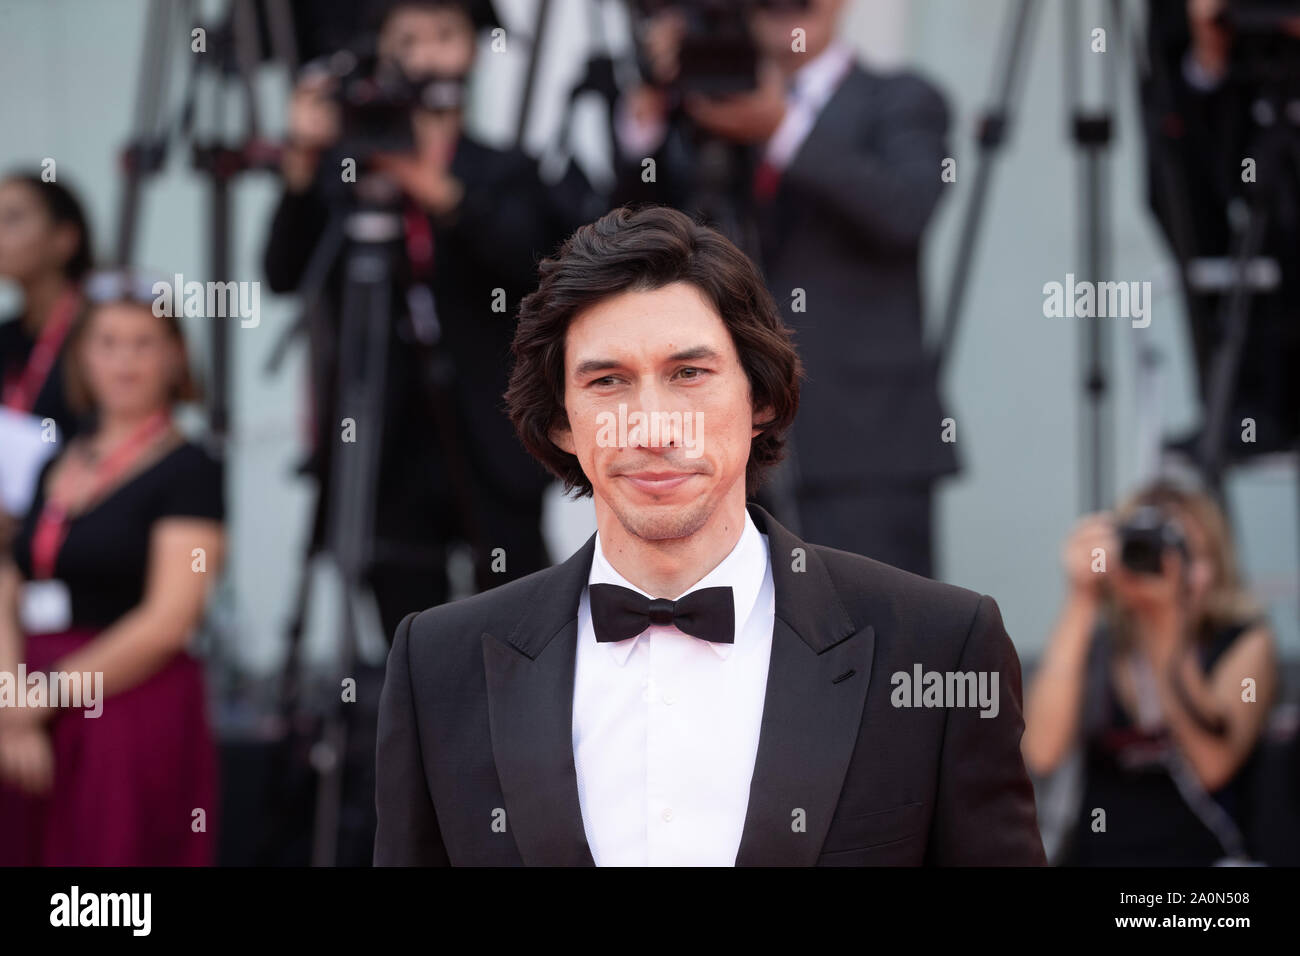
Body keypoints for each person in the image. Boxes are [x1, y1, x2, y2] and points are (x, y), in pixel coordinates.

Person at [373, 205, 1045, 866]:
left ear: (761, 399)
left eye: (689, 374)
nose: (655, 429)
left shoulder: (937, 647)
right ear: (561, 424)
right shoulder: (438, 665)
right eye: (608, 382)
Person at [264, 0, 604, 639]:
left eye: (445, 36)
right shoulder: (345, 172)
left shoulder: (507, 170)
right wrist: (303, 163)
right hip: (381, 440)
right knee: (408, 635)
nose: (427, 55)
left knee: (519, 624)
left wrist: (435, 188)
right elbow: (285, 273)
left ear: (473, 49)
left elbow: (536, 271)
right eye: (408, 39)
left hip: (492, 433)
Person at [611, 0, 958, 577]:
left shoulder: (901, 97)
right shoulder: (702, 106)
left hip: (867, 443)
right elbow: (631, 237)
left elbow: (905, 210)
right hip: (728, 439)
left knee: (884, 635)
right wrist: (650, 105)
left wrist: (781, 128)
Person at [0, 274, 225, 865]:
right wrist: (11, 700)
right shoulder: (57, 457)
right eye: (107, 343)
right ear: (81, 356)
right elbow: (9, 578)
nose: (124, 362)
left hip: (122, 699)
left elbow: (168, 620)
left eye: (142, 343)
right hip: (26, 694)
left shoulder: (190, 468)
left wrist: (41, 697)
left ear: (175, 356)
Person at [1022, 479, 1279, 865]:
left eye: (1189, 555)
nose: (1167, 568)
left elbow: (1213, 766)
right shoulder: (1098, 646)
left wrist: (1166, 625)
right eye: (1144, 551)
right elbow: (1040, 753)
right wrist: (1081, 598)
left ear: (1219, 564)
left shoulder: (1245, 643)